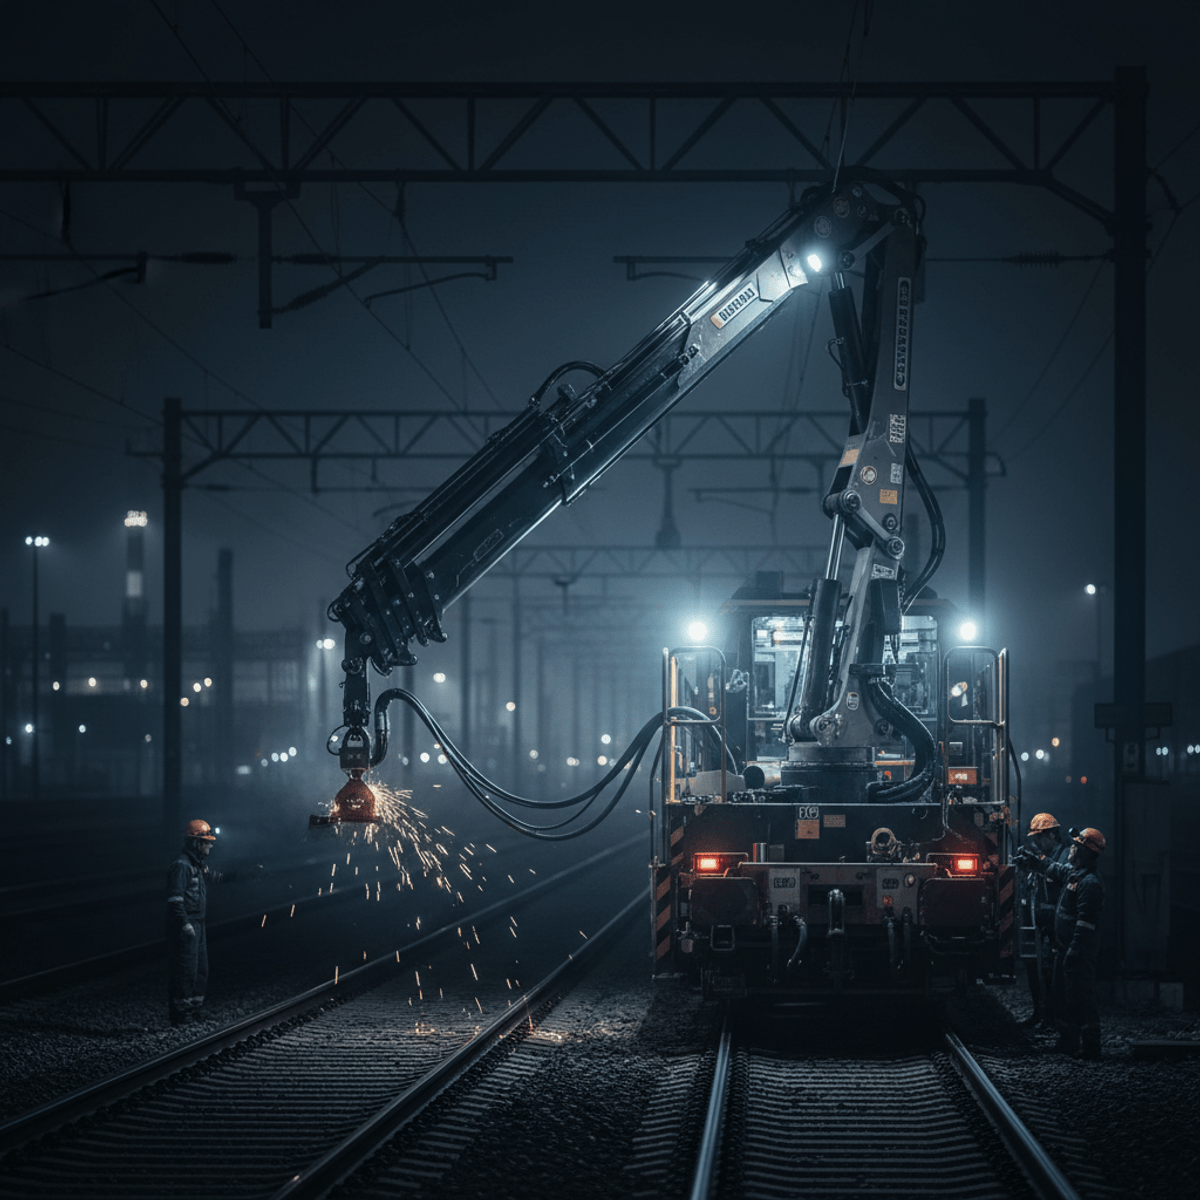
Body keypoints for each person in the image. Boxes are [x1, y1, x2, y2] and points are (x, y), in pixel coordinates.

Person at [1017, 826, 1106, 1058]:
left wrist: (1075, 950)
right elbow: (1054, 869)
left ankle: (1091, 1046)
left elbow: (1086, 924)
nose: (1072, 849)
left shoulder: (1090, 883)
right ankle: (1068, 1041)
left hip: (1078, 951)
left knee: (1081, 996)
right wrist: (1033, 861)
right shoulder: (1075, 874)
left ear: (1087, 853)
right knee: (1061, 995)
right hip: (1064, 948)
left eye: (1076, 846)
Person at [1017, 812, 1070, 1027]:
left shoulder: (1065, 855)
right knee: (1037, 968)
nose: (1036, 841)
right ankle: (1040, 1013)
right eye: (1035, 837)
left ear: (1053, 835)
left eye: (1040, 837)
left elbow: (1063, 875)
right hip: (1040, 923)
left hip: (1057, 924)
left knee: (1052, 972)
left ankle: (1054, 1017)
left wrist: (1038, 863)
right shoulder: (1042, 857)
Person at [166, 818, 220, 1027]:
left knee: (200, 970)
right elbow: (175, 899)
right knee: (185, 971)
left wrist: (241, 875)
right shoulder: (181, 866)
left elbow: (215, 878)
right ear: (195, 843)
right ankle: (181, 1016)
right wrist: (184, 924)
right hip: (186, 926)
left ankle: (194, 1011)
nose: (210, 845)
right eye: (207, 842)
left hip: (198, 924)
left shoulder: (196, 865)